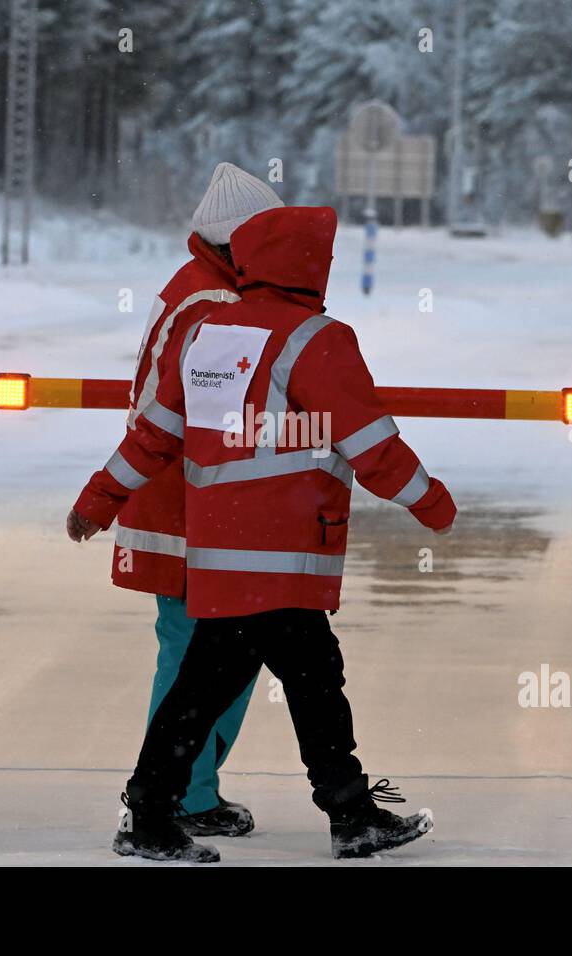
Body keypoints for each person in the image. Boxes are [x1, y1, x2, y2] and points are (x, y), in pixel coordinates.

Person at [67, 204, 457, 862]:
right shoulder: (316, 339)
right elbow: (371, 444)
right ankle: (335, 813)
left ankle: (174, 815)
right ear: (309, 266)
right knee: (306, 680)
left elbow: (154, 433)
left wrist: (98, 498)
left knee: (241, 685)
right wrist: (433, 503)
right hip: (284, 554)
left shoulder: (207, 335)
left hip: (221, 554)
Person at [97, 162, 282, 837]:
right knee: (199, 650)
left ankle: (183, 789)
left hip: (182, 501)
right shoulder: (217, 305)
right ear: (243, 242)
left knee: (203, 646)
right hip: (192, 508)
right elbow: (219, 415)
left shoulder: (199, 288)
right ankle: (181, 794)